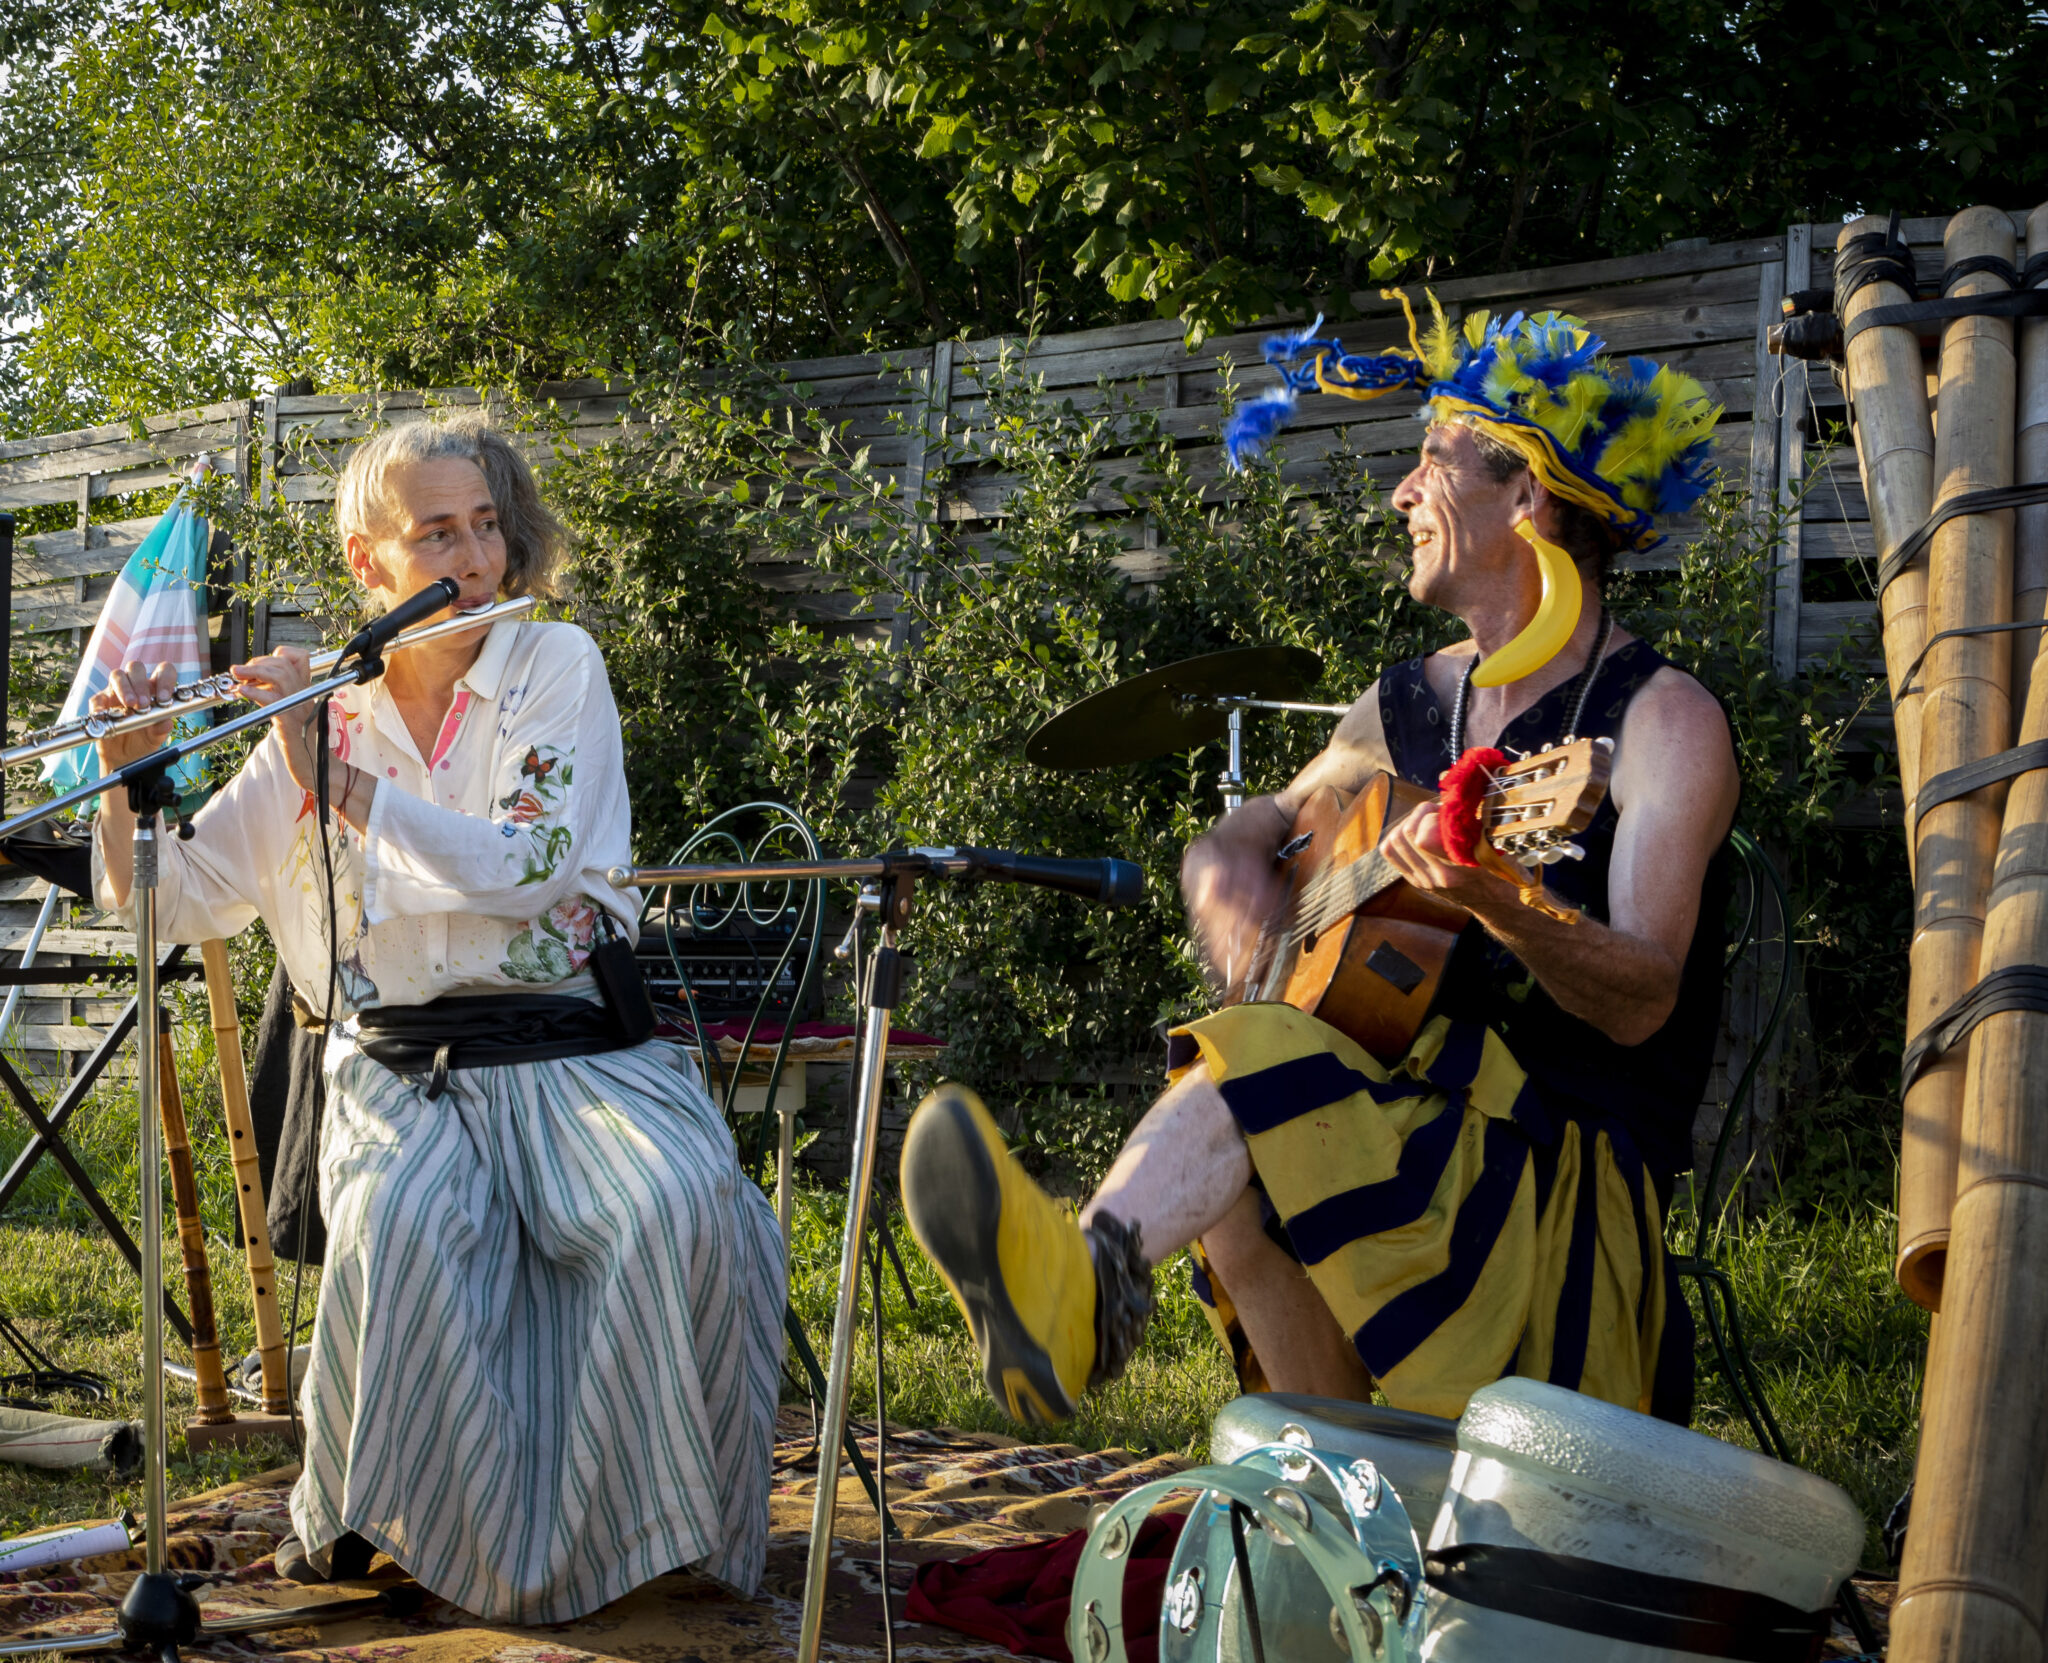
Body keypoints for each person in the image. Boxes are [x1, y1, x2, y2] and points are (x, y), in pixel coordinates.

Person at [901, 300, 1739, 1428]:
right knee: (1238, 1186)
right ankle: (1327, 1485)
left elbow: (1640, 1000)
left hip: (1554, 1192)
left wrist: (1493, 901)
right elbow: (1269, 817)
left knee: (1253, 1053)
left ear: (1526, 501)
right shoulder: (1410, 701)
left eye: (1430, 464)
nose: (1399, 494)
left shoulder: (1659, 720)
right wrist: (1228, 858)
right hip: (1407, 1135)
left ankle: (1080, 1289)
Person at [90, 414, 784, 1623]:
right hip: (398, 1069)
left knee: (668, 1204)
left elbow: (524, 868)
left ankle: (656, 1533)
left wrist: (334, 778)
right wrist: (133, 773)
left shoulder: (553, 665)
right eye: (435, 533)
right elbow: (170, 904)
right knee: (403, 1219)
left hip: (580, 1050)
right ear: (368, 564)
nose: (473, 556)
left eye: (487, 526)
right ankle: (395, 1526)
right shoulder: (322, 713)